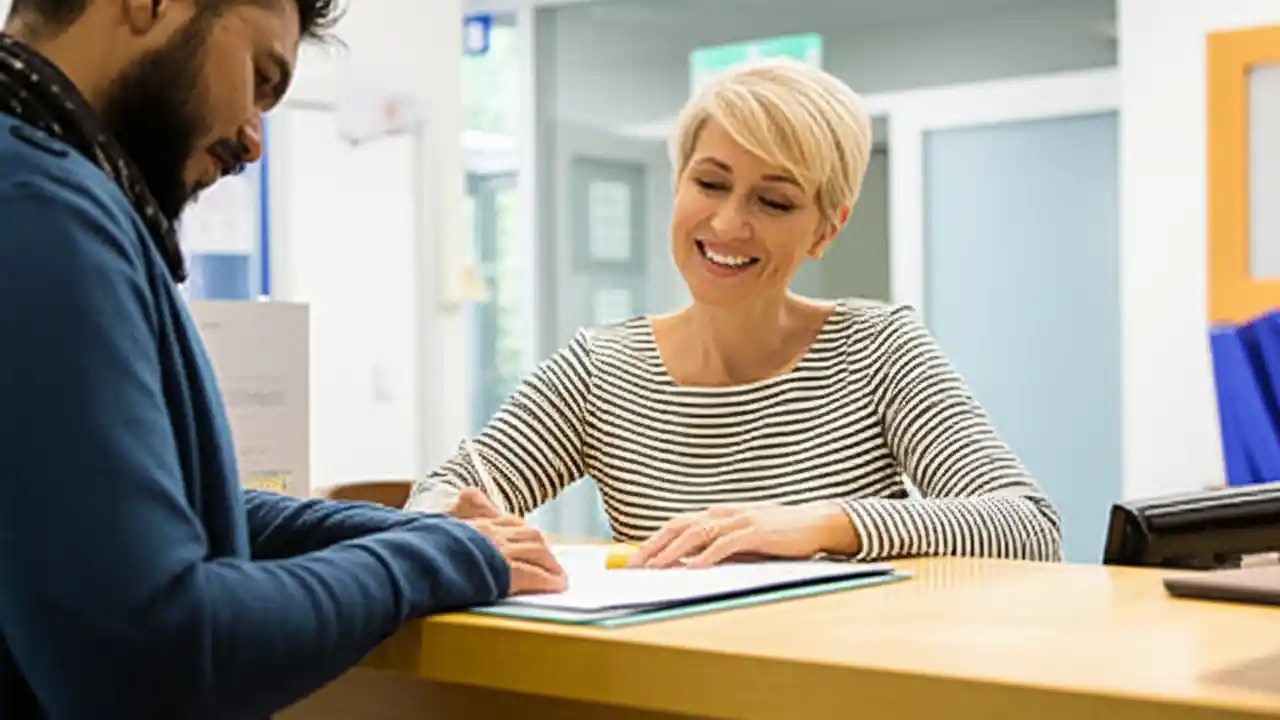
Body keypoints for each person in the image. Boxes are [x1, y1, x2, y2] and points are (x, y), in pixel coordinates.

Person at [0, 1, 564, 717]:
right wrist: (438, 561)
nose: (252, 138)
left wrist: (431, 536)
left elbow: (156, 515)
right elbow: (158, 653)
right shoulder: (38, 212)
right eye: (260, 77)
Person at [408, 59, 1062, 568]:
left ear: (825, 230)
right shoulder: (600, 372)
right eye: (711, 183)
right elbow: (439, 495)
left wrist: (815, 525)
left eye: (773, 202)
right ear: (678, 182)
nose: (726, 223)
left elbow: (1027, 525)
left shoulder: (878, 349)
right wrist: (467, 526)